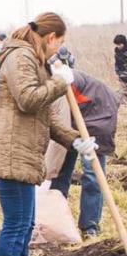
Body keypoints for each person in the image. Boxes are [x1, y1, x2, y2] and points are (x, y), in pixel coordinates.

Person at [0, 13, 89, 256]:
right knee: (16, 226)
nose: (58, 50)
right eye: (60, 42)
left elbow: (46, 117)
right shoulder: (21, 58)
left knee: (24, 225)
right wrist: (59, 84)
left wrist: (75, 141)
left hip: (22, 151)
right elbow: (28, 100)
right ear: (50, 37)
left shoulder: (35, 61)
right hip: (10, 151)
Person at [49, 69, 119, 238]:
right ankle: (56, 221)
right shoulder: (46, 85)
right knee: (61, 169)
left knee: (92, 173)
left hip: (99, 118)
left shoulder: (60, 80)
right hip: (74, 118)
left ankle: (90, 226)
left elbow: (56, 119)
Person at [114, 34, 127, 100]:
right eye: (117, 44)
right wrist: (119, 73)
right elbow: (116, 65)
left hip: (125, 75)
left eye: (120, 44)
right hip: (122, 78)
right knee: (123, 94)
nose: (118, 46)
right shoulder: (117, 53)